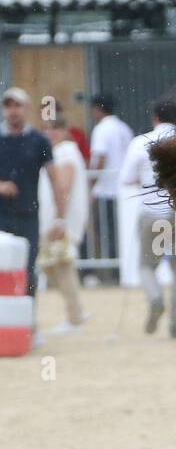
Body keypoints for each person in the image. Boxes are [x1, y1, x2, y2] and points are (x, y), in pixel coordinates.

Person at [0, 86, 62, 346]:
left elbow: (55, 178)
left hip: (27, 215)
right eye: (8, 105)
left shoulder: (39, 141)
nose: (13, 110)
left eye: (17, 105)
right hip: (0, 218)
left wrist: (60, 217)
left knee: (27, 272)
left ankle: (28, 323)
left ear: (26, 109)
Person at [120, 98, 176, 338]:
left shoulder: (140, 143)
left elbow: (126, 178)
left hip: (150, 211)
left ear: (155, 118)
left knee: (146, 265)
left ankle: (156, 297)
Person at [37, 104, 90, 333]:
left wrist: (59, 219)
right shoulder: (58, 152)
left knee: (61, 267)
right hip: (55, 219)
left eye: (54, 129)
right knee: (54, 267)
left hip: (61, 221)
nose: (50, 133)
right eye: (46, 129)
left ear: (63, 130)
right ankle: (75, 312)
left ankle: (75, 316)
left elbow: (64, 186)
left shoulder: (66, 151)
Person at [87, 94, 134, 272]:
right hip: (122, 190)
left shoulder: (102, 129)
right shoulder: (124, 128)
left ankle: (110, 270)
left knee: (106, 233)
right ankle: (121, 269)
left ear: (98, 109)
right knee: (120, 232)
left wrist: (91, 184)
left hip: (106, 190)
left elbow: (100, 158)